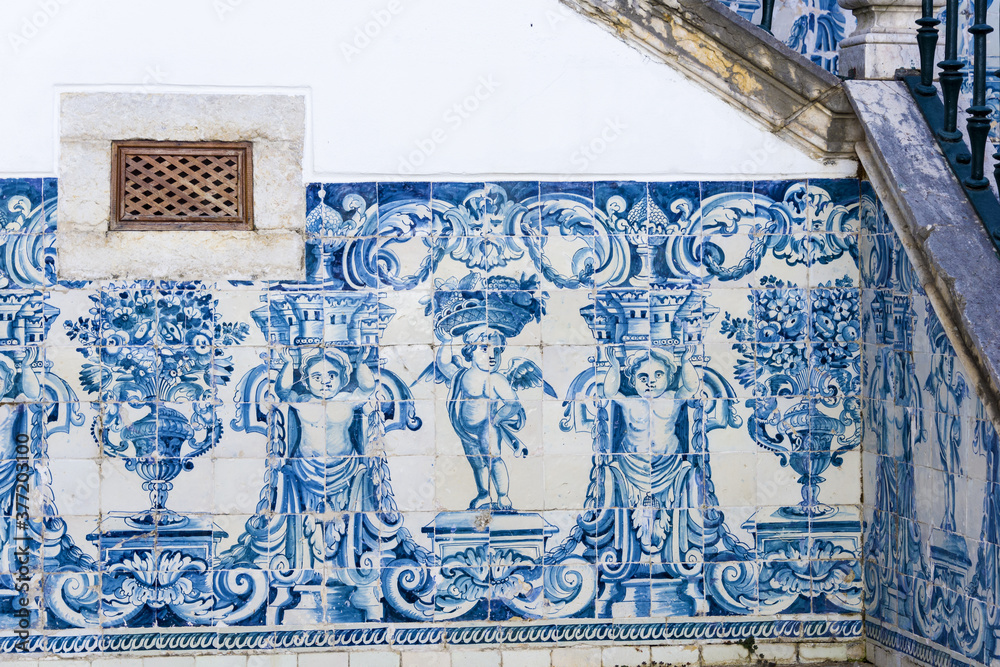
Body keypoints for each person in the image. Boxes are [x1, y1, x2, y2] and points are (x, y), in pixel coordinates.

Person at [600, 346, 701, 556]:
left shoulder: (672, 398)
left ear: (668, 377)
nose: (651, 381)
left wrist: (687, 361)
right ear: (633, 381)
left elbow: (690, 388)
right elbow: (610, 392)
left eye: (658, 375)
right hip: (633, 464)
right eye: (643, 376)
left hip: (668, 464)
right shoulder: (631, 402)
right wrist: (614, 367)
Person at [441, 326, 526, 510]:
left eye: (496, 350)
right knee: (477, 462)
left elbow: (513, 403)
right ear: (470, 351)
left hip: (487, 426)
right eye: (485, 349)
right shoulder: (462, 375)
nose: (492, 355)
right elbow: (443, 365)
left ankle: (503, 496)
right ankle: (484, 494)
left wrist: (497, 418)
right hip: (465, 430)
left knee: (493, 458)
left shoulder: (496, 379)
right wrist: (445, 342)